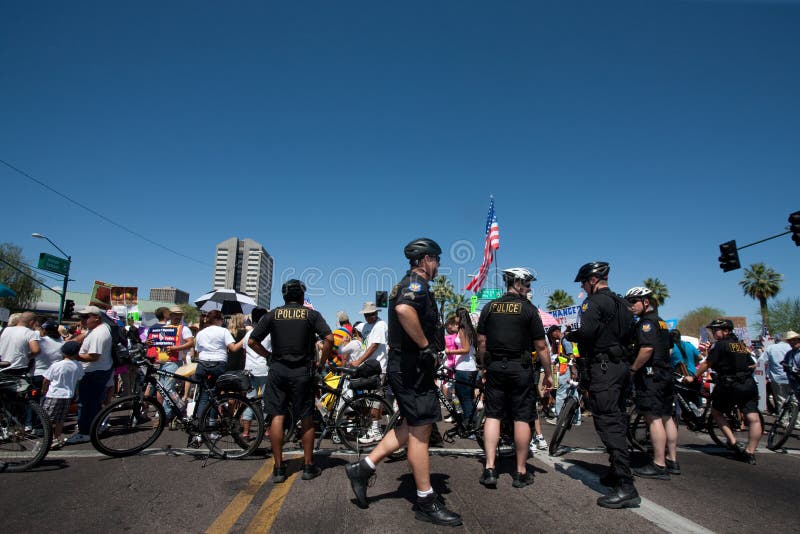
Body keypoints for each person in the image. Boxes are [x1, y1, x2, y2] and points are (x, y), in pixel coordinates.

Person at [345, 237, 461, 526]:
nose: (438, 265)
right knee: (421, 431)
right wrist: (425, 347)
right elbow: (404, 310)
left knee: (410, 425)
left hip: (409, 368)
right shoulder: (415, 284)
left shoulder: (407, 284)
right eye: (436, 259)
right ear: (424, 260)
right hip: (410, 368)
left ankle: (364, 467)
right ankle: (425, 500)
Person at [567, 262, 639, 508]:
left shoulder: (593, 302)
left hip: (604, 368)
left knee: (608, 422)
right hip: (621, 368)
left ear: (593, 280)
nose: (584, 288)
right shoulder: (623, 304)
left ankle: (626, 485)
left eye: (584, 283)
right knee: (618, 418)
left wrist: (572, 335)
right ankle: (615, 471)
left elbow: (587, 332)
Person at [249, 279, 334, 483]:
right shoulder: (311, 314)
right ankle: (308, 466)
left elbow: (252, 341)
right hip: (302, 372)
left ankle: (278, 469)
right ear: (302, 296)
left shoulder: (273, 314)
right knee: (306, 417)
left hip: (278, 370)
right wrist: (321, 363)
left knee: (277, 416)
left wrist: (268, 356)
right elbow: (329, 339)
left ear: (284, 296)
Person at [476, 267, 552, 489]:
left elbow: (481, 342)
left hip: (495, 367)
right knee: (521, 417)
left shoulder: (489, 307)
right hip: (520, 367)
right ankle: (520, 472)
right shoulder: (529, 309)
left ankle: (490, 468)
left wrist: (484, 366)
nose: (529, 289)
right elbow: (541, 345)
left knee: (493, 415)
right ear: (518, 283)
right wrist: (548, 374)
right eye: (527, 285)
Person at [686, 319, 762, 464]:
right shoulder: (740, 345)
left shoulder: (721, 345)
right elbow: (752, 364)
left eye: (716, 330)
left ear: (726, 331)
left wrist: (693, 376)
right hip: (748, 383)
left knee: (716, 412)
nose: (713, 333)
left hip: (729, 384)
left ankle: (733, 442)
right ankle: (750, 452)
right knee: (754, 418)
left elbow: (707, 363)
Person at [625, 287, 679, 480]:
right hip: (664, 375)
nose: (631, 306)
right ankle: (672, 459)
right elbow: (670, 350)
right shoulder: (662, 322)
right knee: (667, 417)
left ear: (646, 302)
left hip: (651, 376)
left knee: (653, 418)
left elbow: (646, 349)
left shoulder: (646, 323)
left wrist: (633, 370)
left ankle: (659, 463)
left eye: (634, 302)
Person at [65, 306, 114, 445]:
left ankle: (85, 432)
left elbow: (93, 356)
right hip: (98, 370)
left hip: (95, 371)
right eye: (81, 317)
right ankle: (96, 427)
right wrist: (72, 342)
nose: (82, 320)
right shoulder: (96, 329)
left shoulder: (99, 333)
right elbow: (84, 335)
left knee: (86, 404)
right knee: (93, 403)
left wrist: (74, 357)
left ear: (96, 317)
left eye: (86, 317)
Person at [349, 301, 391, 444]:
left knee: (375, 400)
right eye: (366, 314)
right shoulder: (366, 326)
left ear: (376, 313)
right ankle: (373, 428)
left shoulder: (380, 325)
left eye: (371, 314)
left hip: (379, 367)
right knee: (369, 399)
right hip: (368, 366)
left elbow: (374, 346)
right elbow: (365, 344)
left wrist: (358, 361)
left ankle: (376, 431)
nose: (369, 317)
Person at [193, 310, 243, 427]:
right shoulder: (223, 331)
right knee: (215, 396)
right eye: (221, 319)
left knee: (204, 397)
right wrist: (244, 340)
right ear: (218, 320)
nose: (222, 322)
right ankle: (212, 425)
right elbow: (233, 348)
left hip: (203, 363)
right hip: (218, 364)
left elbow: (198, 351)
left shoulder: (201, 333)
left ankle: (201, 426)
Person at [41, 340, 84, 449]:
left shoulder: (56, 365)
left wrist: (44, 390)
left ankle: (48, 439)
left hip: (54, 394)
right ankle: (57, 437)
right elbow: (79, 380)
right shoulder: (78, 366)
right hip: (68, 395)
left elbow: (46, 379)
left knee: (48, 418)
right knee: (60, 419)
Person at [446, 307, 479, 427]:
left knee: (464, 397)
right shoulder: (469, 330)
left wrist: (450, 352)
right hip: (469, 368)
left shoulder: (463, 330)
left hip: (465, 369)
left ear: (459, 317)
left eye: (456, 315)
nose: (455, 318)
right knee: (467, 398)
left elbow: (465, 350)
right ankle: (472, 422)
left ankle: (470, 423)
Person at [241, 307, 270, 440]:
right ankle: (266, 430)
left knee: (249, 400)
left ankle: (246, 432)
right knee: (266, 400)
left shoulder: (248, 334)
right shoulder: (269, 334)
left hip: (249, 370)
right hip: (264, 369)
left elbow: (244, 351)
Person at [548, 325, 580, 426]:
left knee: (560, 395)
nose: (552, 338)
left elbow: (571, 356)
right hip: (568, 370)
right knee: (574, 395)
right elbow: (563, 355)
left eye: (552, 336)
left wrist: (573, 371)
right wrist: (556, 361)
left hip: (566, 370)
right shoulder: (563, 340)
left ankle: (559, 418)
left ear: (556, 331)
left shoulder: (564, 340)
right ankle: (576, 419)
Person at [0, 311, 40, 375]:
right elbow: (36, 350)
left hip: (2, 366)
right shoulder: (30, 333)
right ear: (31, 322)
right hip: (18, 368)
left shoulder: (5, 330)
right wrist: (27, 356)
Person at [760, 334, 791, 414]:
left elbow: (761, 361)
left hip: (776, 378)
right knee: (794, 400)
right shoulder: (790, 346)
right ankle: (797, 422)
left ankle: (784, 420)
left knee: (781, 400)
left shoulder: (770, 348)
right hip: (790, 377)